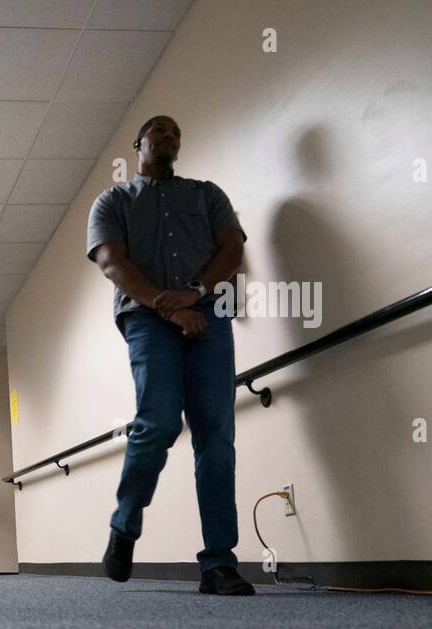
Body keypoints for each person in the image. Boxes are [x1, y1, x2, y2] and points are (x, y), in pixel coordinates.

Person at [86, 115, 255, 595]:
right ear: (138, 143)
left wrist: (194, 293)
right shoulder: (113, 200)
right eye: (158, 129)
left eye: (176, 131)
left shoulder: (207, 194)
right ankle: (125, 525)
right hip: (147, 321)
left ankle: (219, 563)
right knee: (158, 422)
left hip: (209, 317)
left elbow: (232, 249)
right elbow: (112, 262)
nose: (169, 135)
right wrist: (167, 304)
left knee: (216, 437)